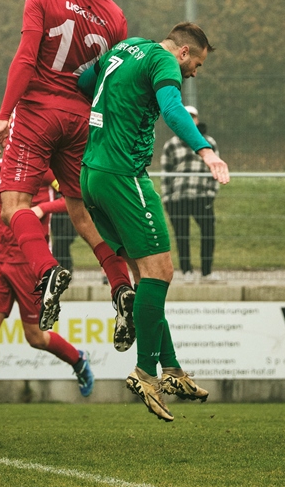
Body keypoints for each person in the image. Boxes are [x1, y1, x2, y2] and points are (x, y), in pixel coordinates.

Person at [77, 22, 230, 422]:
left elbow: (82, 82)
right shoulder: (164, 60)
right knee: (162, 271)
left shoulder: (126, 47)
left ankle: (173, 369)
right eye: (195, 64)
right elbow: (173, 109)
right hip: (124, 176)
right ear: (183, 53)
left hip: (91, 174)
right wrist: (205, 151)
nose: (194, 72)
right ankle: (146, 372)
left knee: (147, 278)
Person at [0, 0, 136, 349]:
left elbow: (24, 56)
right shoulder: (116, 19)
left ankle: (46, 269)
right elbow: (111, 83)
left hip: (37, 113)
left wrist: (4, 115)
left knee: (14, 203)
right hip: (81, 121)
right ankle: (120, 285)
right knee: (82, 212)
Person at [0, 158, 94, 419]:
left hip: (31, 261)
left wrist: (42, 209)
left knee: (36, 337)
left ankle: (77, 359)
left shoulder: (45, 168)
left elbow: (73, 198)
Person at [161, 105, 220, 281]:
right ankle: (186, 271)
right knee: (182, 235)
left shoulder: (209, 142)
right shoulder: (171, 144)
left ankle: (206, 272)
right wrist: (167, 198)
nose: (190, 120)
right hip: (178, 198)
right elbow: (165, 173)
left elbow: (216, 170)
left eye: (193, 117)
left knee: (208, 233)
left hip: (202, 197)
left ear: (197, 120)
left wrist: (211, 193)